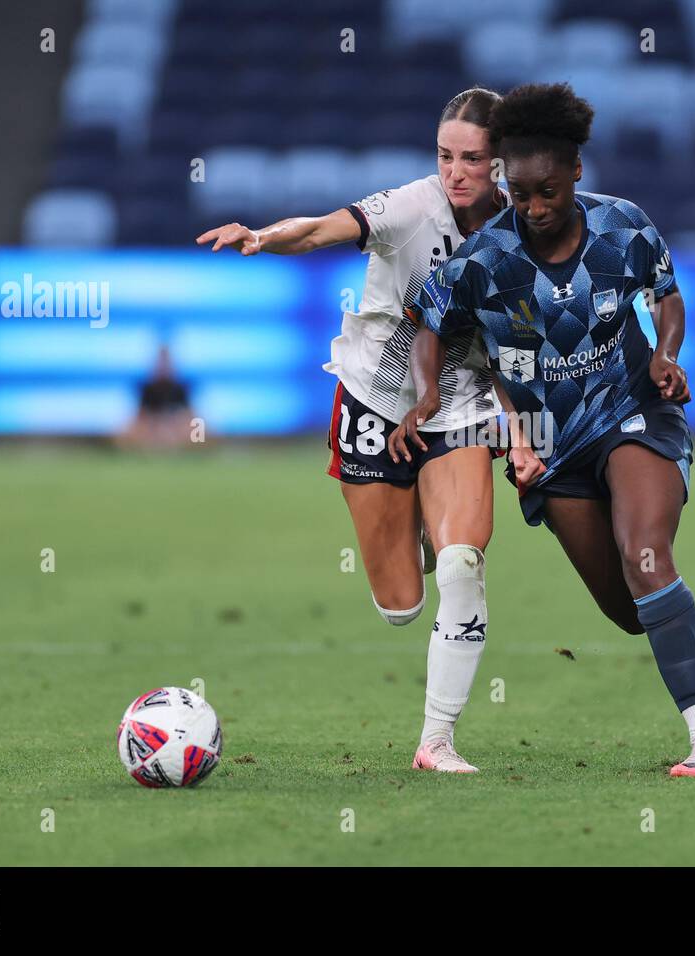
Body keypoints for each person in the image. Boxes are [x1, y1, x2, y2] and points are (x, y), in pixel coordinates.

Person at [392, 83, 695, 777]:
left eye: (546, 191)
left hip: (633, 409)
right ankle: (670, 626)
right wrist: (427, 397)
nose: (534, 207)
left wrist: (668, 356)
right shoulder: (483, 262)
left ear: (576, 172)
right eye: (519, 194)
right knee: (629, 610)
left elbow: (666, 297)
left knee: (646, 555)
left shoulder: (624, 228)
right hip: (555, 450)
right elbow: (428, 325)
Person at [196, 88, 508, 773]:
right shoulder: (410, 208)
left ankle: (437, 740)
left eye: (473, 158)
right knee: (401, 605)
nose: (455, 171)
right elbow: (315, 230)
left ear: (501, 162)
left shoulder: (522, 228)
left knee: (463, 564)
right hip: (372, 400)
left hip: (456, 404)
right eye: (445, 155)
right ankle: (420, 529)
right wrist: (261, 238)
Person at [116, 345, 198, 449]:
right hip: (152, 430)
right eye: (161, 363)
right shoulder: (147, 388)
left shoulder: (180, 389)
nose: (163, 367)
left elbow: (189, 416)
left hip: (175, 430)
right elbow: (140, 416)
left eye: (166, 363)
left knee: (195, 428)